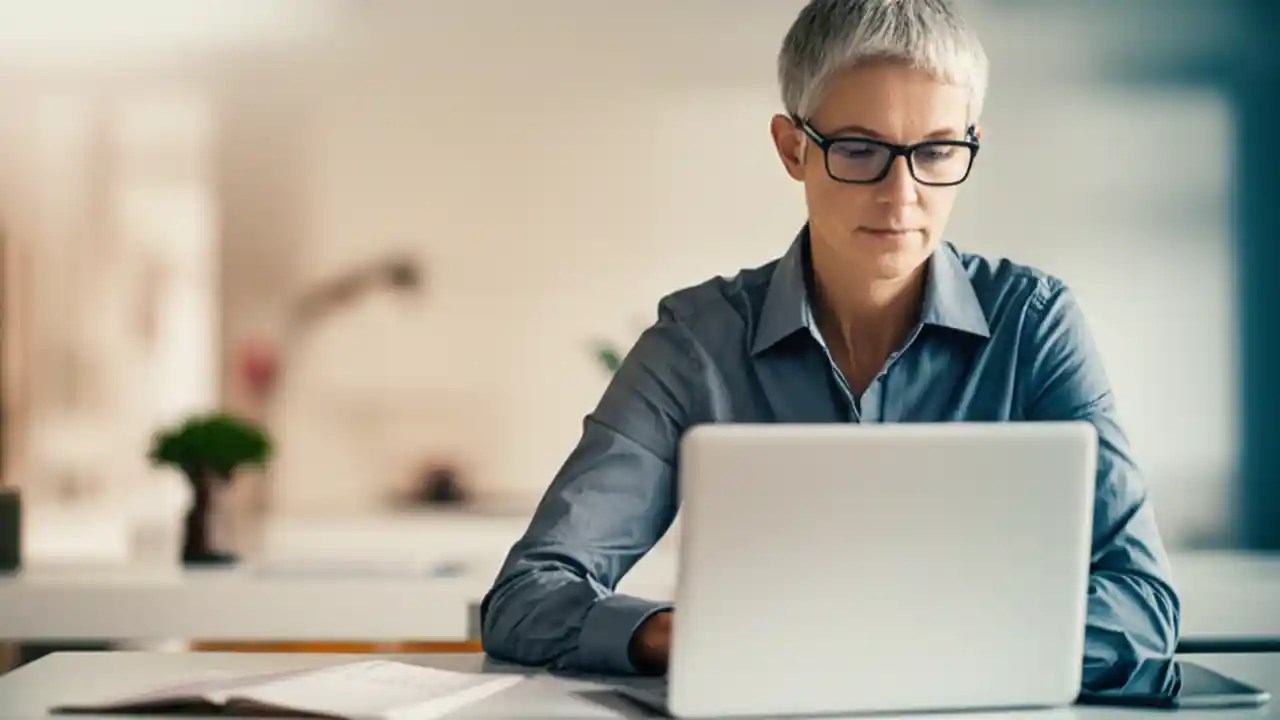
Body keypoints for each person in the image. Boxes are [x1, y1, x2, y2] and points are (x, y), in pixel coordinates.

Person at [481, 0, 1180, 689]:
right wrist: (697, 635)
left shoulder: (1035, 324)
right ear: (793, 149)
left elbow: (1142, 608)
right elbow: (526, 598)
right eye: (858, 150)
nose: (901, 195)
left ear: (971, 145)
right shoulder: (695, 341)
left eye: (936, 151)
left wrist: (872, 648)